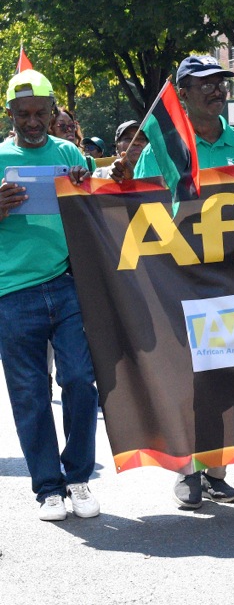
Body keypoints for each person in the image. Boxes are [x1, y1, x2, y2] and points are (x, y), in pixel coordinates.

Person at [115, 54, 234, 508]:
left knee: (230, 374)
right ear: (184, 94)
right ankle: (188, 471)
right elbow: (144, 211)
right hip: (182, 279)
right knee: (192, 377)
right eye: (205, 84)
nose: (217, 90)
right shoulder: (164, 148)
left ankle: (217, 470)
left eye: (221, 82)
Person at [0, 69, 101, 522]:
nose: (33, 121)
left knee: (80, 380)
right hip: (10, 292)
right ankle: (48, 489)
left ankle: (78, 478)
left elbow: (101, 207)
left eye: (41, 112)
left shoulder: (70, 153)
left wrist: (87, 186)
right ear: (10, 114)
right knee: (29, 394)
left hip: (67, 285)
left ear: (54, 109)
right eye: (24, 114)